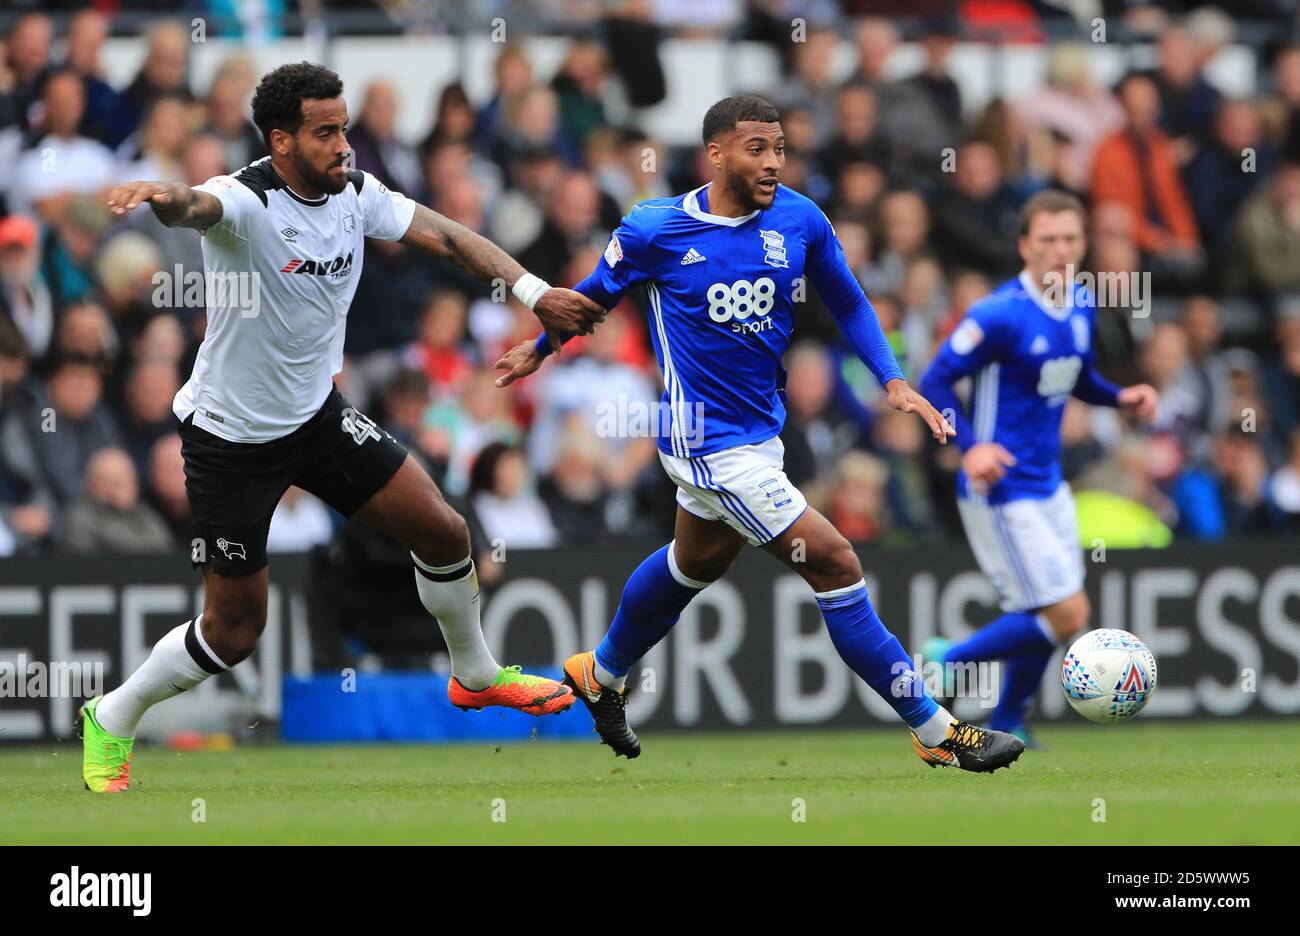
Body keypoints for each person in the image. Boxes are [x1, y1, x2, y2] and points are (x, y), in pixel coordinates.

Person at [78, 62, 607, 794]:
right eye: (325, 133)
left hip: (316, 418)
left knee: (447, 532)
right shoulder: (248, 199)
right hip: (230, 439)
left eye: (345, 128)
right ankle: (112, 714)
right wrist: (163, 197)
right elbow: (194, 206)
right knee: (234, 631)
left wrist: (535, 290)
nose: (343, 145)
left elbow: (451, 237)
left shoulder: (357, 193)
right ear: (282, 140)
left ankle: (475, 676)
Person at [495, 95, 1024, 772]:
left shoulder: (800, 218)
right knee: (836, 564)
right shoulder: (656, 228)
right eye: (756, 148)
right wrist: (540, 348)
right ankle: (935, 727)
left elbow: (847, 297)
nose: (773, 161)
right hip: (704, 441)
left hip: (758, 434)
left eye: (778, 147)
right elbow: (595, 295)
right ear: (716, 154)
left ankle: (599, 671)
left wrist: (891, 378)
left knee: (696, 563)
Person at [918, 190, 1159, 745]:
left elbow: (1078, 378)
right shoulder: (998, 314)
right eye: (1048, 239)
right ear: (1026, 245)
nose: (1060, 250)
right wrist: (971, 445)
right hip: (1000, 487)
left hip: (1049, 484)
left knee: (1052, 612)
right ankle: (945, 659)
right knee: (1068, 611)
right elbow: (933, 381)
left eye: (1070, 239)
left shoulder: (1079, 301)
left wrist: (1121, 399)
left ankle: (1008, 724)